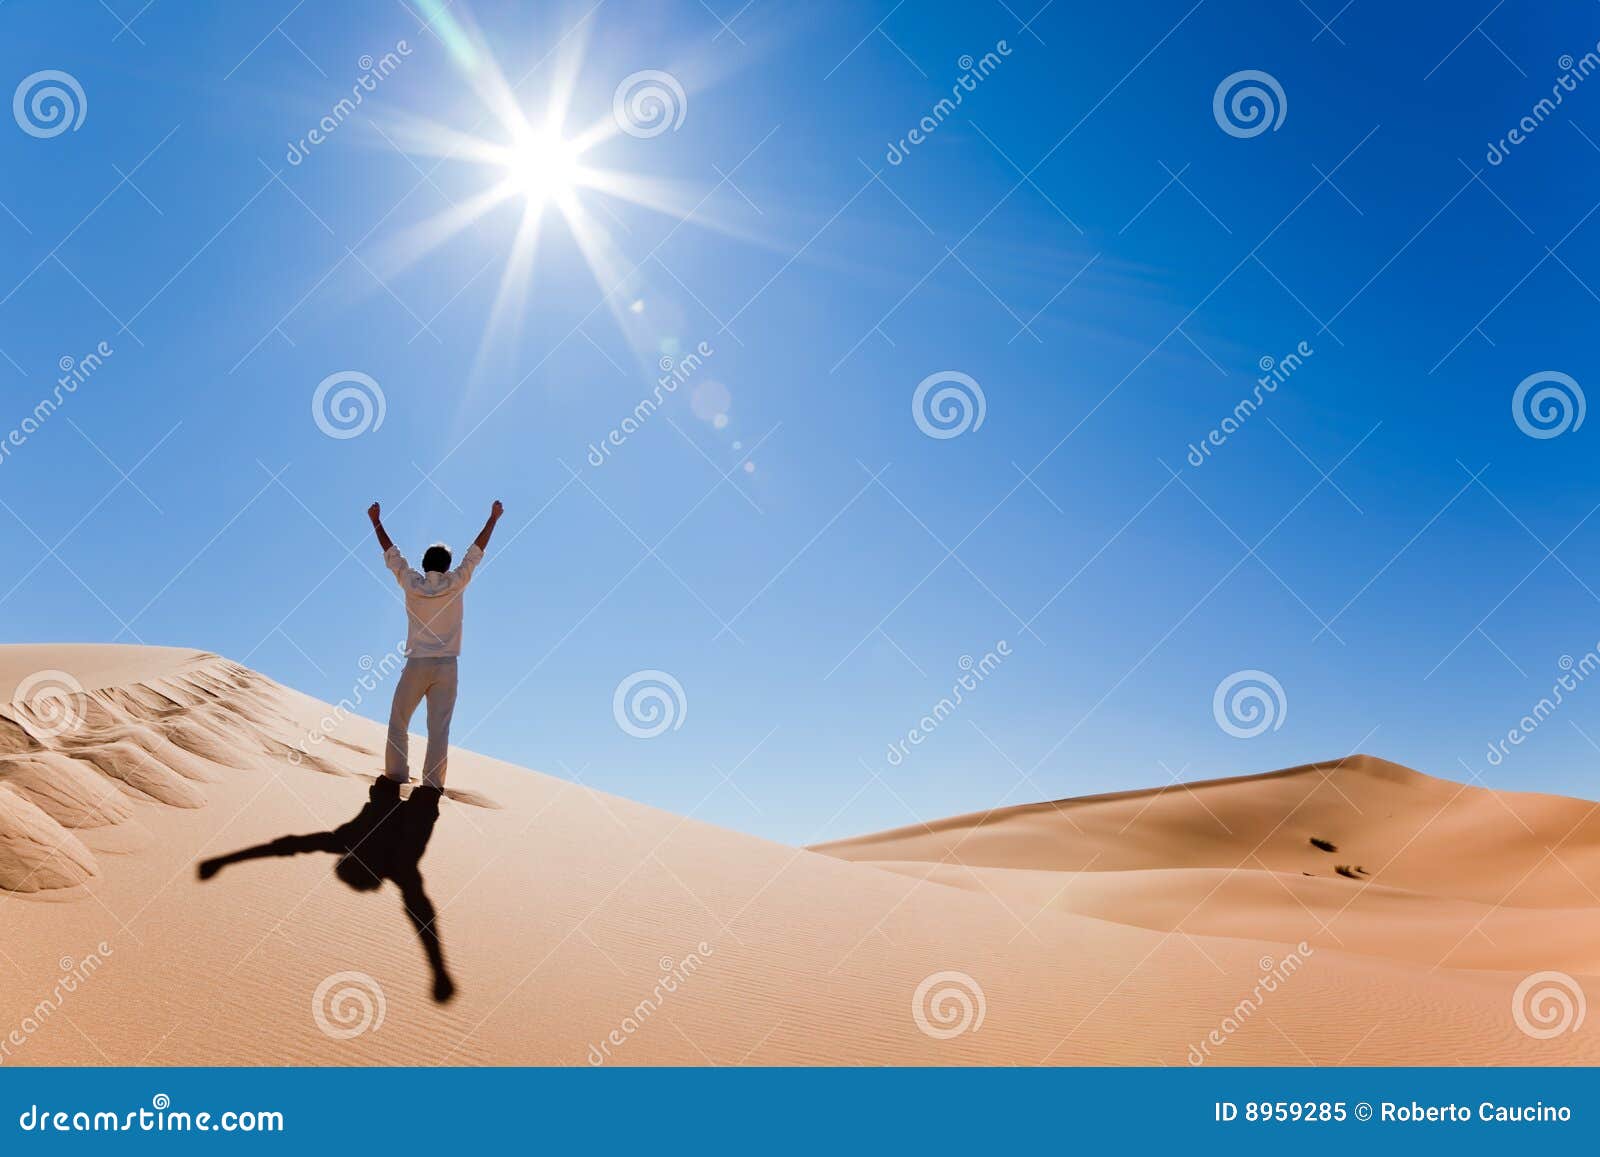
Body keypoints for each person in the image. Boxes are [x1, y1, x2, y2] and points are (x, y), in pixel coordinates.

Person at [367, 499, 503, 789]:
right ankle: (431, 785)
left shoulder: (412, 583)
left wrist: (376, 520)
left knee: (398, 722)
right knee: (439, 731)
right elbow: (475, 553)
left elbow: (392, 554)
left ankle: (395, 775)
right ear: (447, 566)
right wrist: (493, 518)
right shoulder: (456, 582)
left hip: (417, 664)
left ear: (424, 564)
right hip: (447, 667)